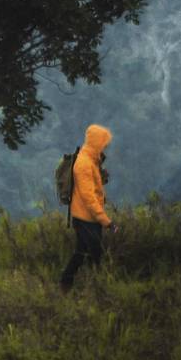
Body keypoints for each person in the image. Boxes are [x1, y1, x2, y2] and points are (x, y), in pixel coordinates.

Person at [59, 123, 117, 292]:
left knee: (81, 253)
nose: (105, 146)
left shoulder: (91, 160)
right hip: (86, 219)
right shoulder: (84, 164)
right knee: (95, 256)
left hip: (86, 217)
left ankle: (67, 285)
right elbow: (89, 199)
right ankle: (95, 289)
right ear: (96, 142)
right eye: (103, 143)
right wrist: (107, 221)